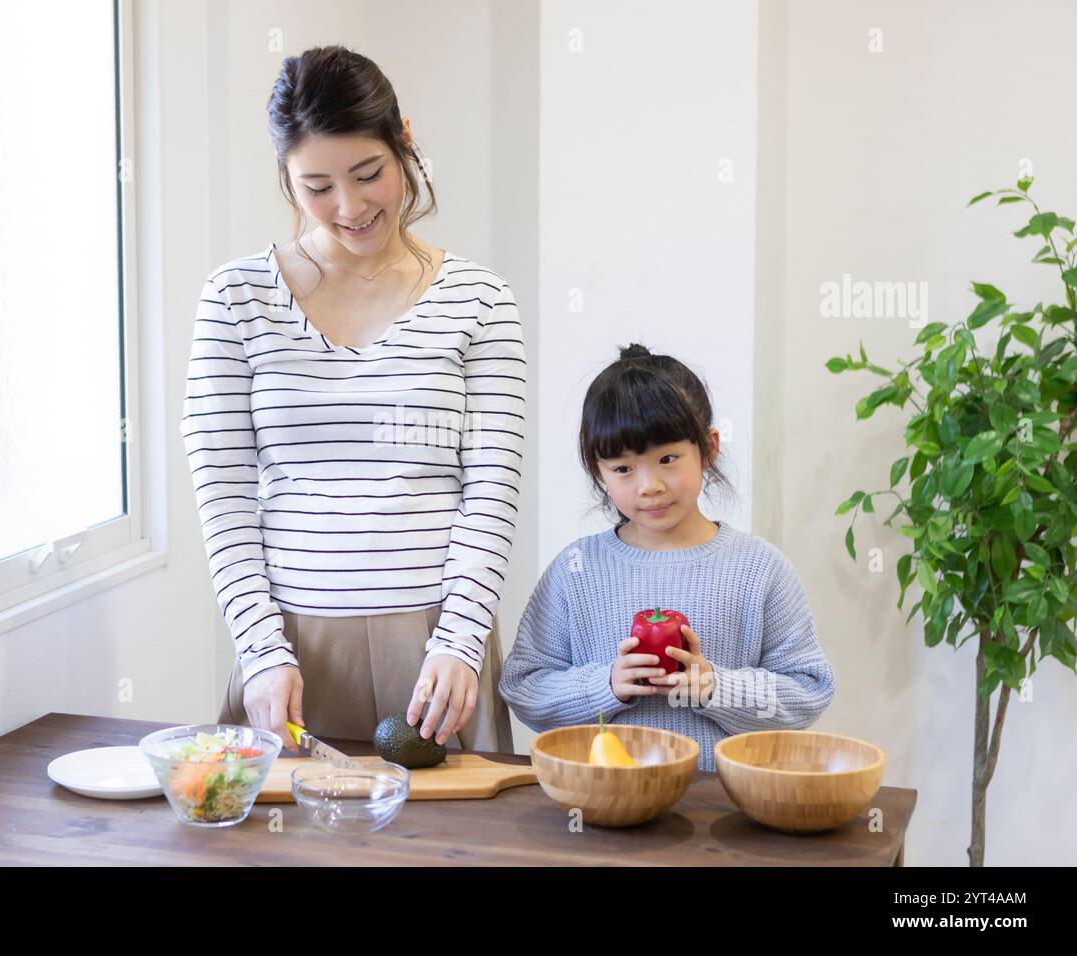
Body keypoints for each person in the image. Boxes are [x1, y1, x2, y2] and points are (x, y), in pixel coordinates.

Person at [181, 45, 524, 754]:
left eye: (369, 174)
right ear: (286, 178)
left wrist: (460, 639)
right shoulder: (236, 299)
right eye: (317, 186)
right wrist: (260, 648)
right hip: (294, 644)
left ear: (404, 139)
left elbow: (491, 486)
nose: (350, 206)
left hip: (437, 643)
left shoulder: (480, 300)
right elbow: (221, 487)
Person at [498, 343, 834, 772]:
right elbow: (523, 686)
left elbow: (809, 690)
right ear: (597, 471)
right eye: (623, 469)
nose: (649, 485)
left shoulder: (758, 568)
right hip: (604, 802)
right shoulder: (576, 569)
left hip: (720, 809)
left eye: (668, 459)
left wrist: (717, 686)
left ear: (709, 448)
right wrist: (606, 685)